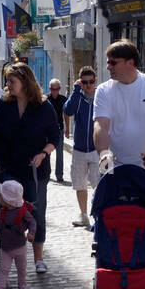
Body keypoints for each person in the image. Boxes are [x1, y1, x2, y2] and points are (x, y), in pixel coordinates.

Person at [0, 62, 60, 274]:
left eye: (11, 81)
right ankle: (3, 267)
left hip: (34, 172)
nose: (8, 84)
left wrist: (43, 153)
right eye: (7, 80)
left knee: (36, 214)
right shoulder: (3, 106)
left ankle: (38, 258)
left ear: (25, 82)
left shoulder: (43, 107)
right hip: (7, 170)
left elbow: (55, 136)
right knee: (6, 217)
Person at [93, 40, 145, 198]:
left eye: (113, 62)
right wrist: (103, 153)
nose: (108, 67)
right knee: (108, 216)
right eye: (108, 62)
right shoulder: (103, 90)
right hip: (115, 167)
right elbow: (100, 125)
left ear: (130, 62)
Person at [63, 66, 99, 229]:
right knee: (80, 184)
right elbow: (68, 110)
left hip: (99, 149)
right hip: (79, 149)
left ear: (95, 81)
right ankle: (83, 215)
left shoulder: (101, 97)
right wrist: (76, 90)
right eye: (85, 82)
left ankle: (100, 213)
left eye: (91, 82)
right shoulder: (78, 97)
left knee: (100, 183)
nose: (88, 85)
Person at [0, 179, 36, 289]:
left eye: (1, 195)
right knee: (4, 270)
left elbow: (32, 222)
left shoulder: (22, 212)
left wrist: (31, 233)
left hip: (20, 246)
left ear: (8, 200)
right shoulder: (2, 212)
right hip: (5, 248)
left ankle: (22, 284)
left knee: (22, 269)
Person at [47, 79, 67, 182]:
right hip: (47, 131)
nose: (55, 91)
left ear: (59, 89)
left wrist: (67, 128)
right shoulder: (45, 99)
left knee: (60, 153)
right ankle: (47, 173)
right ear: (50, 89)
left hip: (59, 129)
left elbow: (66, 114)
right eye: (52, 89)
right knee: (47, 153)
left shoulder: (63, 99)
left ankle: (59, 175)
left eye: (57, 89)